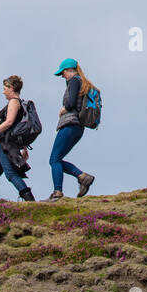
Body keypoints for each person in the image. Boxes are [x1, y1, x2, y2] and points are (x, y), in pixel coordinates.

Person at [0, 74, 35, 207]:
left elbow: (9, 122)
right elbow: (19, 126)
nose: (3, 91)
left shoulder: (14, 102)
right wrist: (24, 148)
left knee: (10, 174)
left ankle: (31, 202)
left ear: (11, 88)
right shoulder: (18, 103)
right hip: (4, 144)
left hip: (5, 144)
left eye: (5, 88)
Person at [47, 57, 95, 200]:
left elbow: (71, 103)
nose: (62, 76)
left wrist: (64, 108)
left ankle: (58, 193)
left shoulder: (74, 81)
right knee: (56, 159)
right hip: (78, 128)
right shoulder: (82, 82)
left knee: (54, 159)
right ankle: (82, 177)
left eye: (63, 72)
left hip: (70, 125)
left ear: (70, 70)